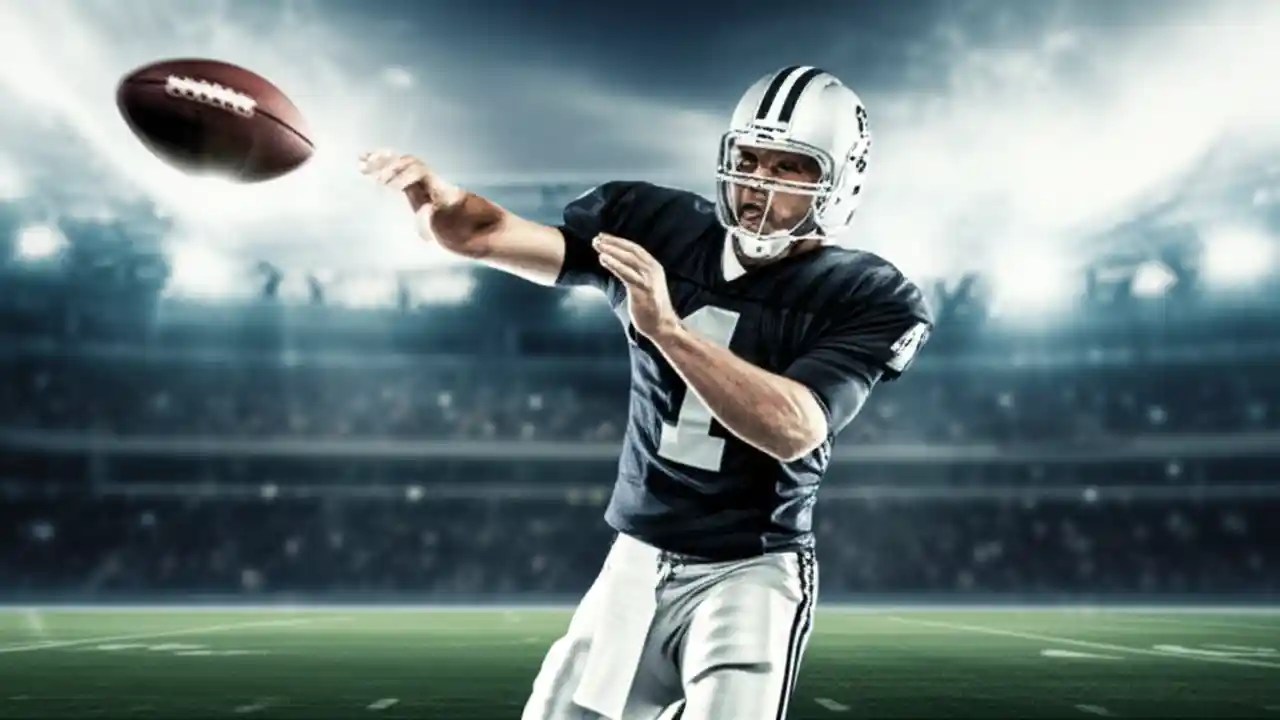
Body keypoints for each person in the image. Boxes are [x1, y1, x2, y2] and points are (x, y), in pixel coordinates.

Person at [361, 65, 933, 720]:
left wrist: (668, 329)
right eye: (748, 159)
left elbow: (795, 427)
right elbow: (486, 233)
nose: (756, 183)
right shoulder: (658, 226)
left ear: (839, 179)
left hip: (750, 569)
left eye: (787, 167)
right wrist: (442, 206)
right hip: (639, 558)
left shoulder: (869, 295)